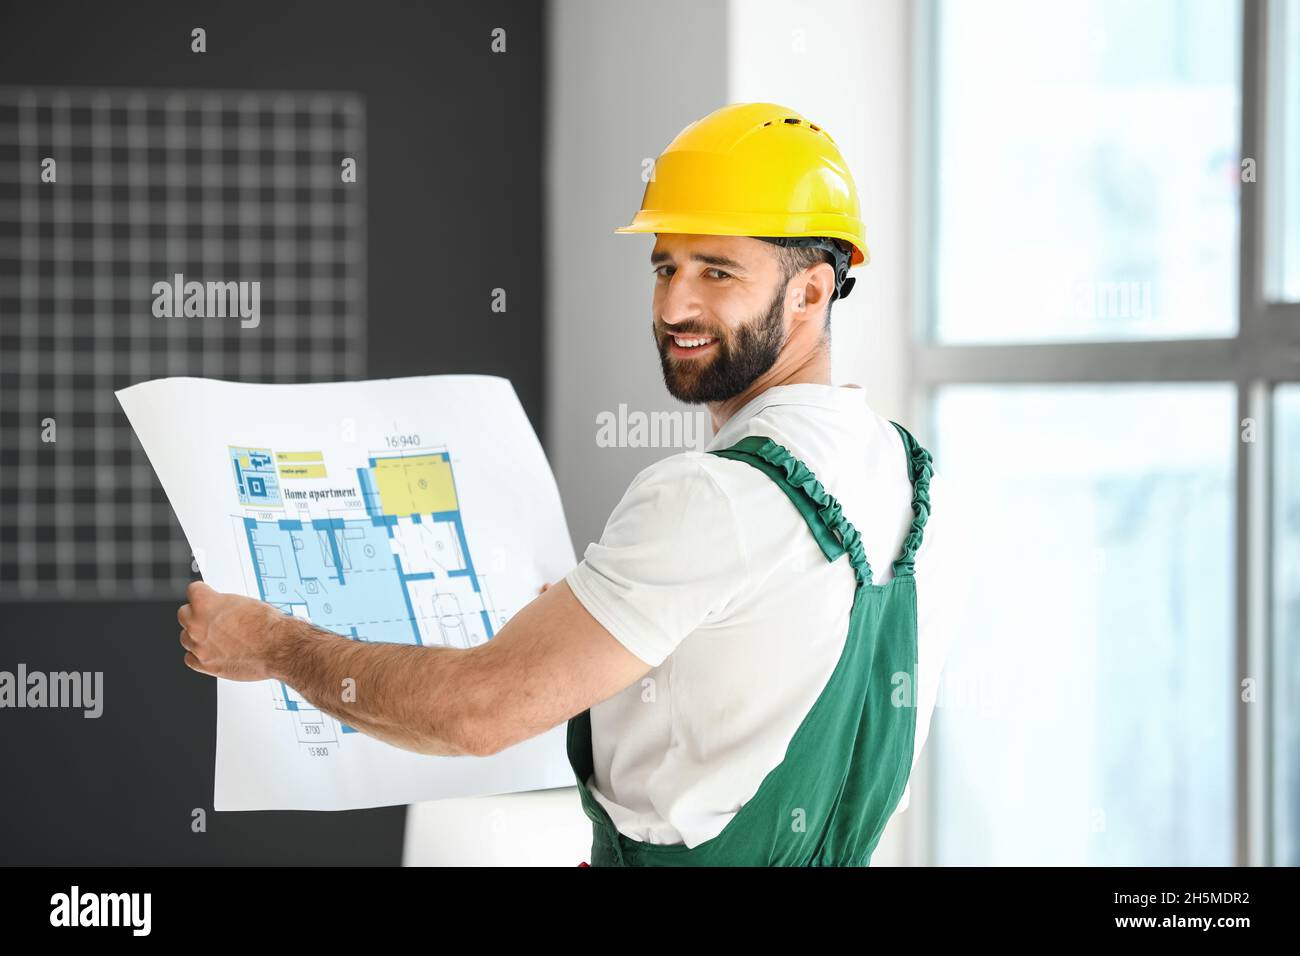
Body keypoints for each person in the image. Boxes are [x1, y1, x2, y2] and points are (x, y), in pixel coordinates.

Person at [177, 101, 961, 866]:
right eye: (665, 265)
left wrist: (272, 645)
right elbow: (764, 670)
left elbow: (474, 715)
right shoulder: (908, 475)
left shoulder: (708, 496)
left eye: (717, 270)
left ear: (812, 291)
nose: (673, 304)